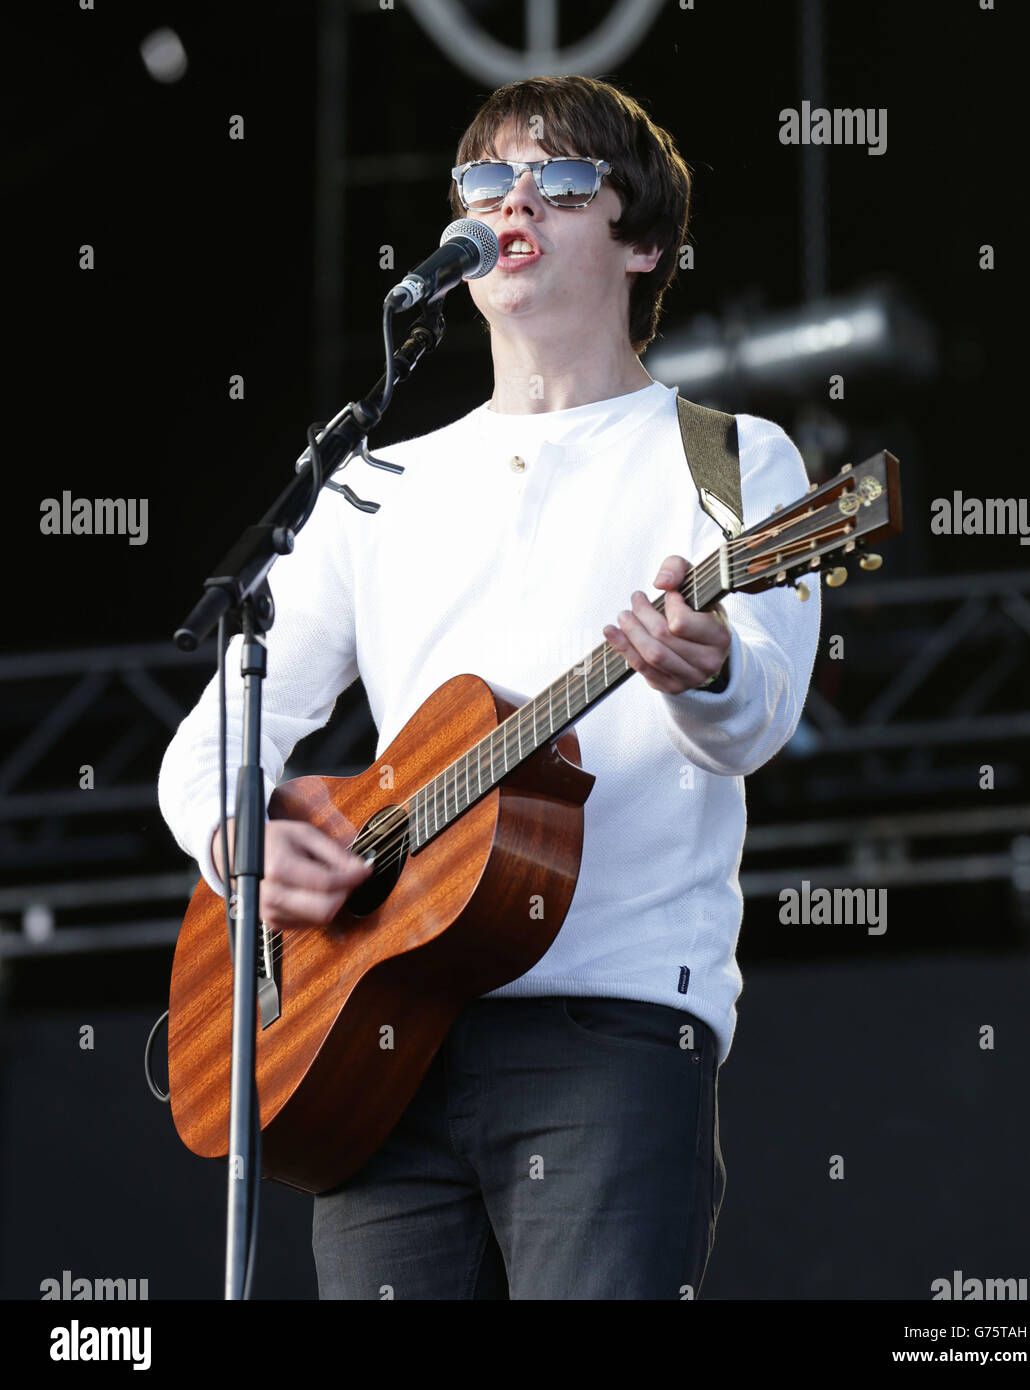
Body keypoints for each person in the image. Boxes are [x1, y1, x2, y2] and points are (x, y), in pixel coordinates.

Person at [158, 74, 820, 1300]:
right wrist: (241, 842)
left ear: (643, 245)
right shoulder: (377, 481)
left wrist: (708, 668)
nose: (512, 199)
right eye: (485, 180)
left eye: (561, 181)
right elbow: (217, 737)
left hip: (609, 1033)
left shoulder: (729, 456)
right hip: (371, 1038)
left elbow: (758, 719)